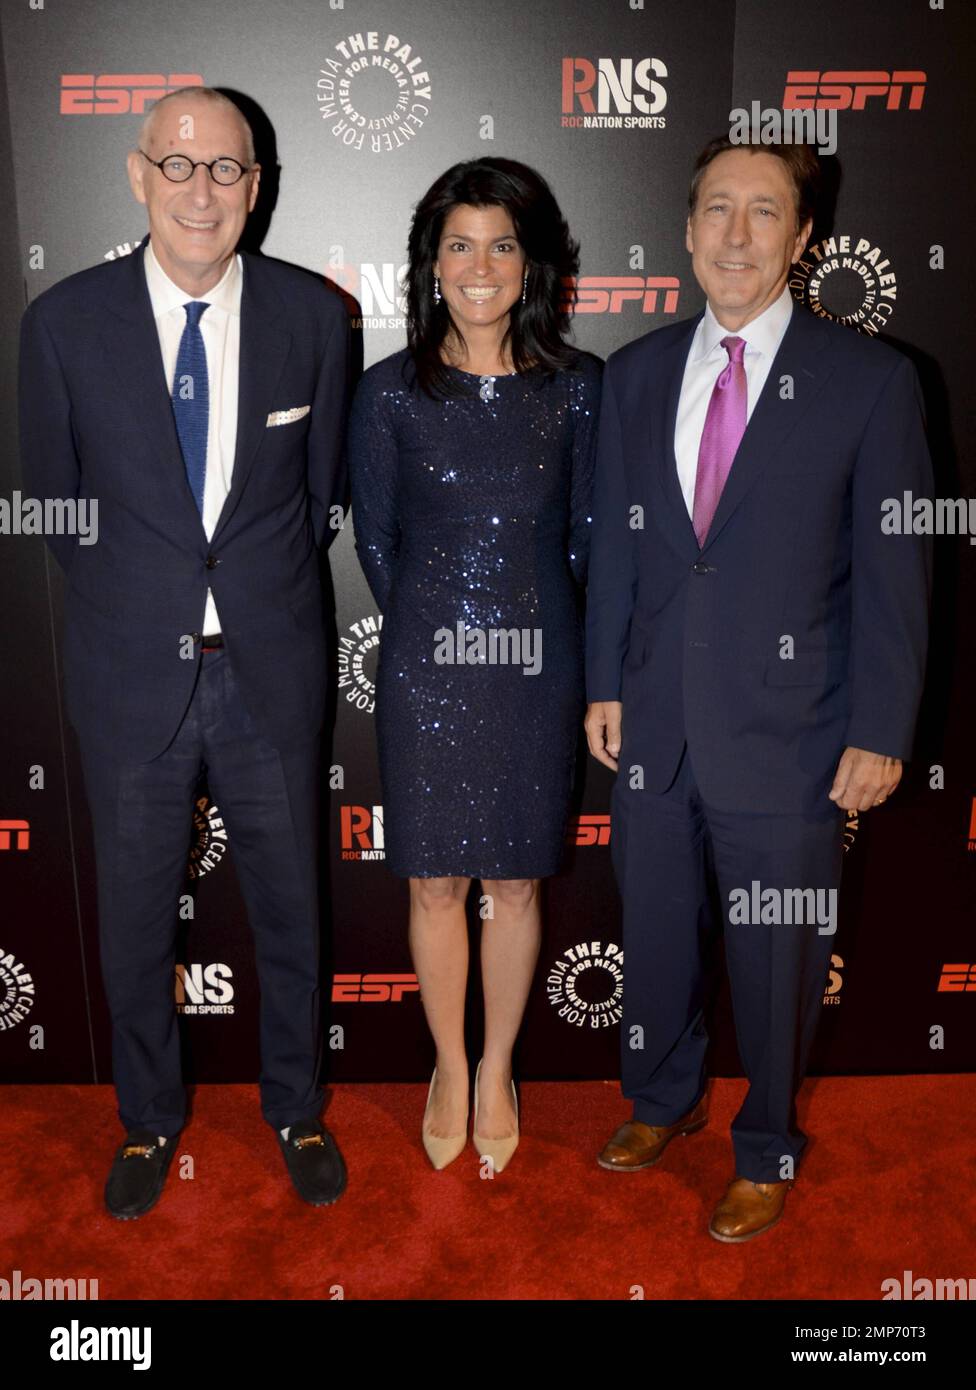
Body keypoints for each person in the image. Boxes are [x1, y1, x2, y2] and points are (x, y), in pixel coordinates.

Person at [585, 137, 932, 1241]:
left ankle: (767, 1142)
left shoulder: (872, 382)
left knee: (781, 959)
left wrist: (880, 728)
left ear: (802, 240)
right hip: (653, 727)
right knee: (659, 933)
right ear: (686, 232)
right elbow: (618, 554)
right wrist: (603, 684)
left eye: (763, 213)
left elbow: (895, 571)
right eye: (716, 211)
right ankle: (662, 1099)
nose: (736, 235)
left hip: (794, 736)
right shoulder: (633, 373)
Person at [18, 86, 351, 1218]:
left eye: (226, 169)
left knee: (292, 910)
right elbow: (55, 512)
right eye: (179, 165)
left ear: (256, 186)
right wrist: (144, 611)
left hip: (271, 676)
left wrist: (241, 609)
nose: (201, 192)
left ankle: (295, 1103)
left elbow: (315, 505)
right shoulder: (62, 325)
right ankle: (150, 1119)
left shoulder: (315, 319)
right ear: (136, 174)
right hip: (129, 681)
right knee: (132, 921)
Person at [348, 157, 600, 1173]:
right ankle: (446, 1061)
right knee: (435, 886)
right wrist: (446, 629)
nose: (480, 264)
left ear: (532, 262)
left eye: (502, 243)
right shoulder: (387, 395)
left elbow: (586, 540)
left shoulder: (580, 389)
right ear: (430, 262)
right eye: (459, 244)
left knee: (517, 883)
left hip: (536, 670)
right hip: (426, 668)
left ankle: (498, 1064)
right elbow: (377, 544)